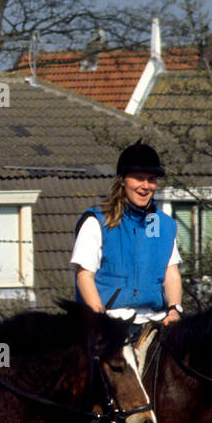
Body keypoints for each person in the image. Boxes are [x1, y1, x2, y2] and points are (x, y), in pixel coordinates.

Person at [70, 140, 183, 336]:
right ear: (123, 180)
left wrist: (174, 309)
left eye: (151, 179)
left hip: (155, 323)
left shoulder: (162, 224)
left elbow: (171, 272)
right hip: (111, 324)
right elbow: (84, 276)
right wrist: (101, 320)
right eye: (138, 178)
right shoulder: (97, 221)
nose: (146, 186)